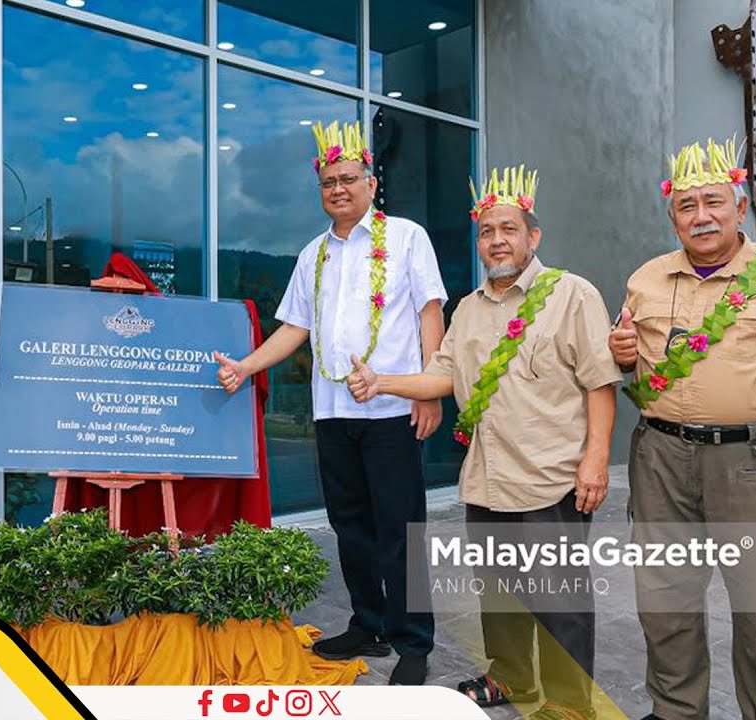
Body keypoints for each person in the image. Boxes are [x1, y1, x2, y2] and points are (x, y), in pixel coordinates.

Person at [346, 166, 619, 720]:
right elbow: (442, 374)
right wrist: (383, 382)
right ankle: (512, 679)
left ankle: (569, 702)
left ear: (532, 237)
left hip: (551, 479)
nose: (497, 240)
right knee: (500, 595)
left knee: (560, 600)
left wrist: (595, 461)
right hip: (486, 480)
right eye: (487, 231)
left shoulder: (571, 295)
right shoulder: (466, 309)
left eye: (509, 229)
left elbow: (600, 382)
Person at [608, 137, 756, 720]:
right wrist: (620, 355)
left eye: (714, 202)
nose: (702, 216)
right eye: (687, 207)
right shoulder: (646, 280)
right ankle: (675, 711)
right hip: (661, 459)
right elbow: (634, 363)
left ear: (740, 207)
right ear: (672, 216)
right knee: (666, 604)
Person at [215, 120, 446, 685]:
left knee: (402, 529)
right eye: (327, 183)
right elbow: (294, 327)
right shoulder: (312, 255)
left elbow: (429, 313)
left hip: (393, 409)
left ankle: (413, 640)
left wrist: (431, 388)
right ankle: (369, 622)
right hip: (334, 413)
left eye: (348, 179)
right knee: (351, 526)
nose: (338, 189)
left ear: (371, 183)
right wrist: (246, 367)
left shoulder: (407, 238)